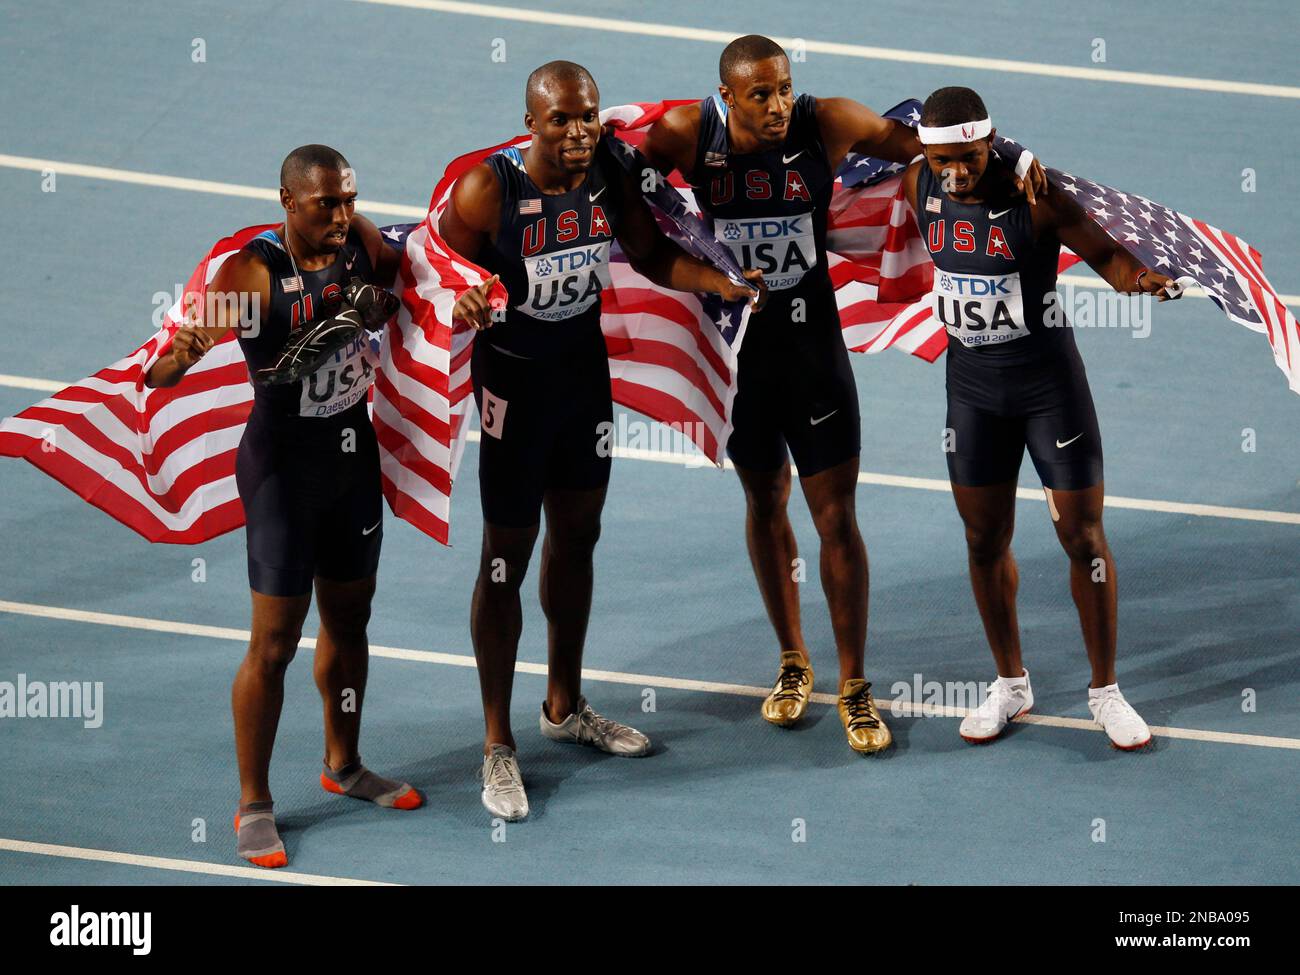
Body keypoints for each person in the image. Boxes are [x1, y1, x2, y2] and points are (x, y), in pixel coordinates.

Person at [641, 35, 1049, 754]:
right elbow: (614, 180)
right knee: (764, 500)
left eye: (784, 87)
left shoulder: (825, 120)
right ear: (727, 96)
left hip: (811, 349)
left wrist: (1011, 154)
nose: (777, 105)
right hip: (740, 354)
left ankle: (855, 684)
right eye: (760, 94)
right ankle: (792, 659)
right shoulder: (685, 133)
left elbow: (936, 145)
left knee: (836, 516)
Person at [439, 61, 765, 820]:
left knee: (579, 535)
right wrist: (459, 297)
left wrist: (719, 283)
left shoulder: (606, 172)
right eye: (562, 120)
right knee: (504, 556)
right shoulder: (490, 191)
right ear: (532, 123)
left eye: (587, 116)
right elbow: (433, 271)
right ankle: (497, 743)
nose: (580, 130)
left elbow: (650, 253)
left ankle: (565, 704)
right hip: (512, 389)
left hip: (582, 375)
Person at [146, 145, 419, 867]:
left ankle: (345, 761)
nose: (342, 215)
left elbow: (415, 277)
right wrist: (175, 356)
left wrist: (398, 298)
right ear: (287, 202)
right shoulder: (254, 272)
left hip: (352, 460)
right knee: (273, 644)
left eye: (349, 200)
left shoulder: (359, 243)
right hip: (281, 474)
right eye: (325, 204)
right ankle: (255, 801)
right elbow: (182, 350)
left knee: (351, 619)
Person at [900, 87, 1181, 749]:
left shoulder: (1036, 194)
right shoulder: (919, 178)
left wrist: (1145, 281)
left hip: (1049, 389)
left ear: (988, 144)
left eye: (969, 157)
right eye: (945, 160)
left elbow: (1108, 257)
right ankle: (1010, 683)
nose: (956, 171)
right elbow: (876, 130)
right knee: (983, 540)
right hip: (970, 392)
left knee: (1083, 538)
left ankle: (1106, 691)